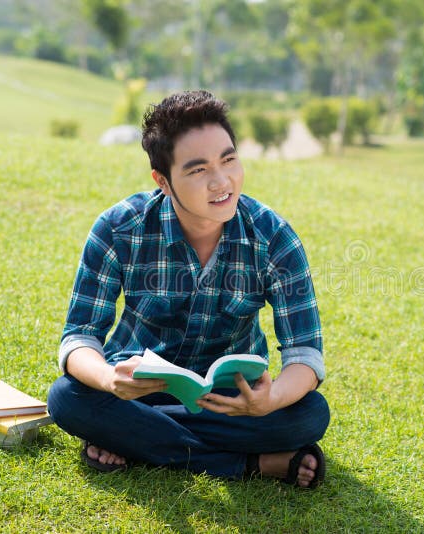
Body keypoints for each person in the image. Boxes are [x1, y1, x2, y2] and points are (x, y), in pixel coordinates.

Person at [47, 90, 330, 489]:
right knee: (67, 398)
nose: (222, 182)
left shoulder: (274, 238)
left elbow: (305, 355)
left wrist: (269, 400)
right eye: (198, 170)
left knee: (310, 414)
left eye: (229, 159)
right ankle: (250, 464)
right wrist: (111, 380)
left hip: (232, 401)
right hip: (140, 391)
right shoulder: (117, 228)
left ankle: (137, 439)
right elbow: (79, 339)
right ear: (163, 181)